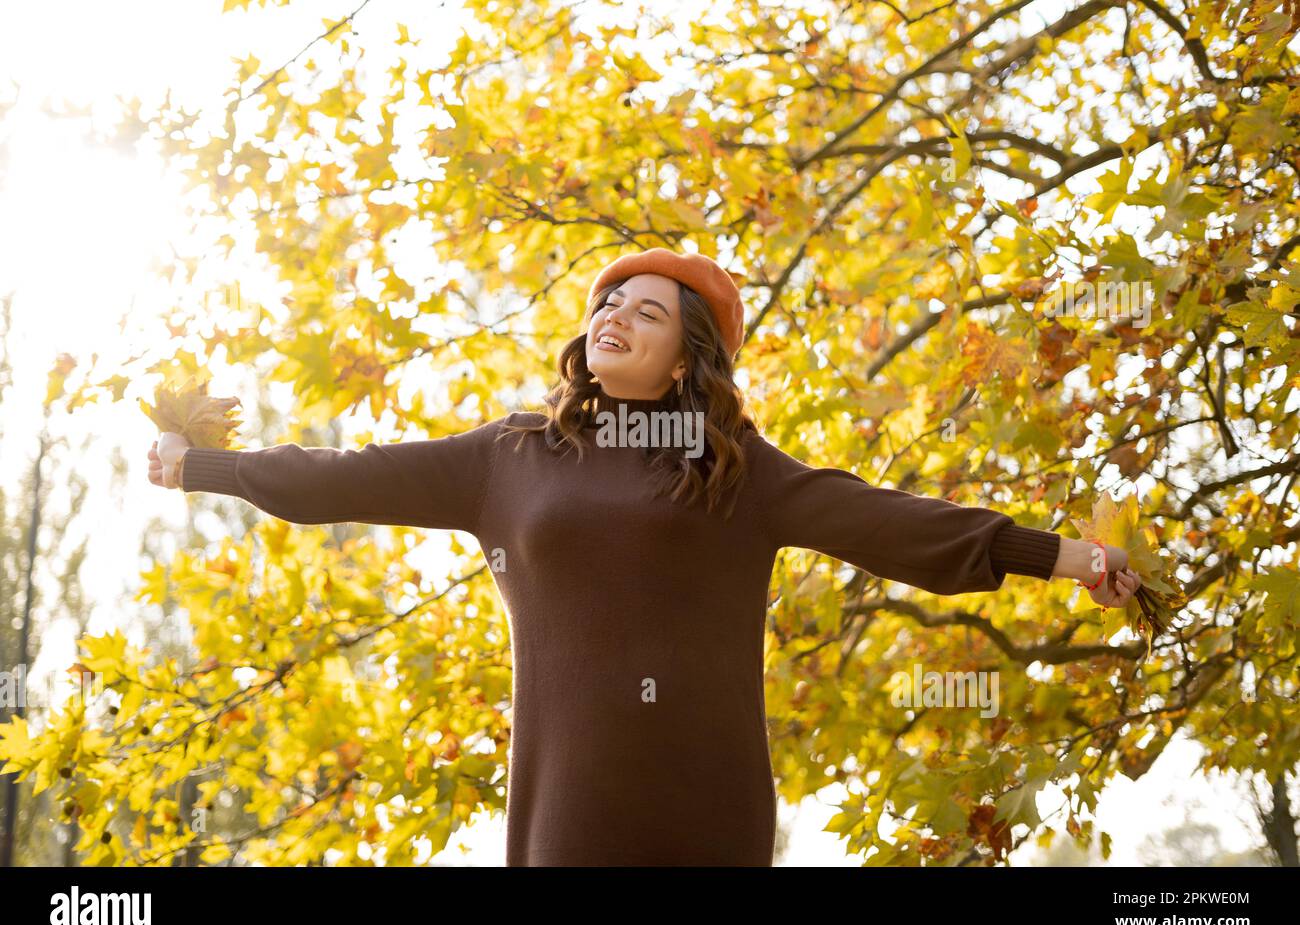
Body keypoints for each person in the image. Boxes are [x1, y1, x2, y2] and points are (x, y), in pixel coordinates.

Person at [147, 247, 1140, 866]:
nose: (612, 314)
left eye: (647, 309)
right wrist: (205, 466)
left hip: (709, 806)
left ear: (688, 355)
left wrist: (1067, 556)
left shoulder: (736, 469)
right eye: (607, 300)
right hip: (568, 810)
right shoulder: (507, 457)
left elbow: (888, 520)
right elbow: (341, 476)